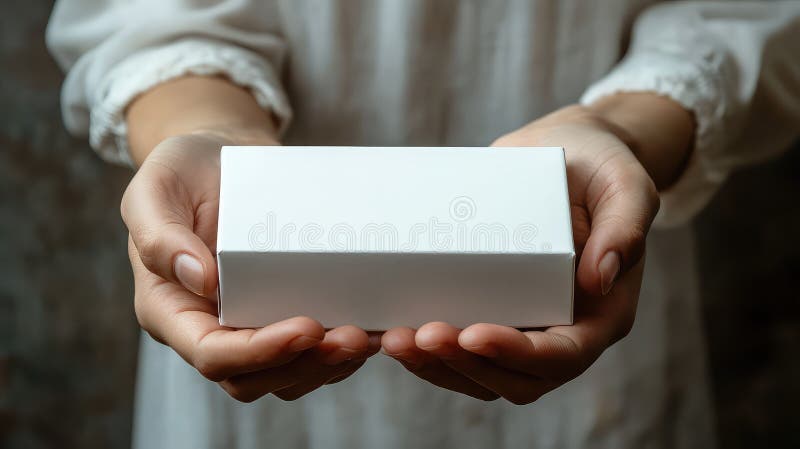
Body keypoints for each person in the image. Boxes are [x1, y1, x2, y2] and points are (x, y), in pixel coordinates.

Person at [46, 1, 799, 448]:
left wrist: (626, 130)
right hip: (242, 275)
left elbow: (744, 14)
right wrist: (205, 126)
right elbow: (147, 16)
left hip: (585, 254)